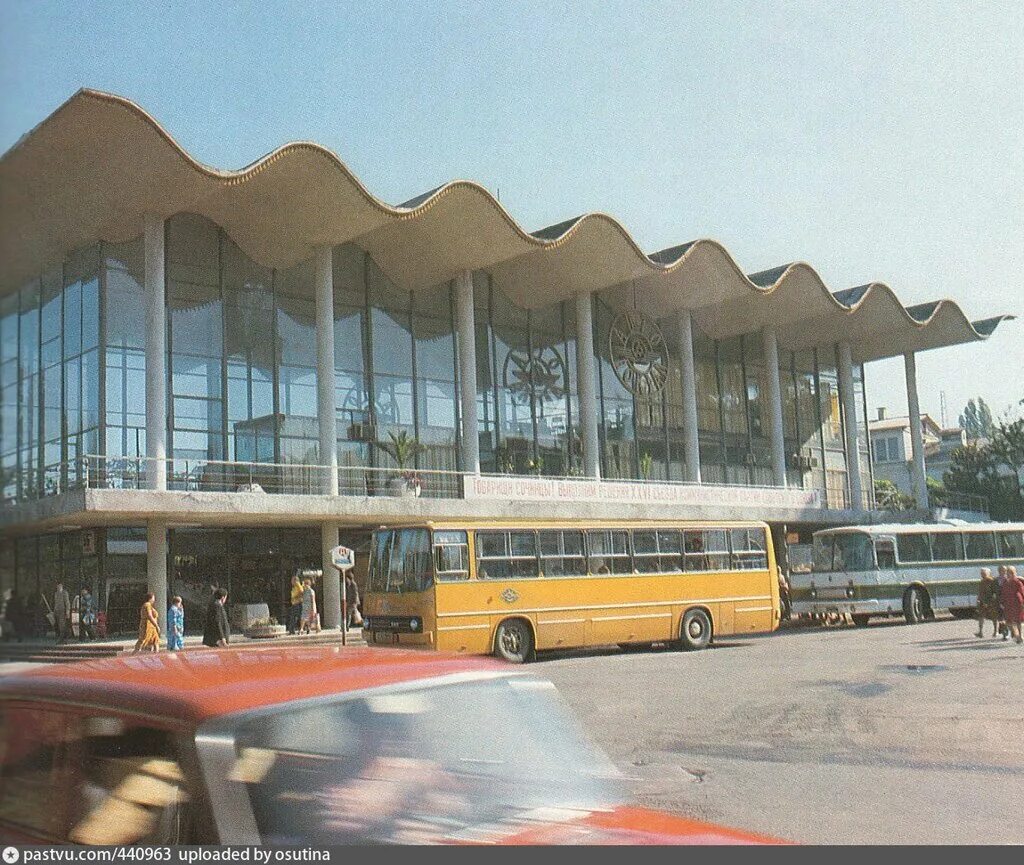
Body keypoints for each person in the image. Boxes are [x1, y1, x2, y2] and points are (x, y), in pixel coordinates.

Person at [999, 565, 1024, 645]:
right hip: (1008, 604)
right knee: (1009, 621)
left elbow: (1022, 592)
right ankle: (1016, 635)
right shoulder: (1005, 582)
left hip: (1017, 603)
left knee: (1018, 621)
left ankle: (1020, 636)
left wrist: (1022, 602)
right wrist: (1001, 602)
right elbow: (1003, 593)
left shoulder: (1018, 582)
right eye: (1008, 573)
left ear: (1014, 573)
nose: (1010, 574)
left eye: (1011, 573)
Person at [975, 568, 1001, 638]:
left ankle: (996, 631)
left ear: (989, 573)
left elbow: (996, 592)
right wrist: (978, 599)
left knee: (994, 617)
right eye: (981, 573)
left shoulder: (992, 581)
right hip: (982, 602)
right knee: (981, 616)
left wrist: (991, 601)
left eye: (984, 573)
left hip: (991, 602)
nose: (982, 575)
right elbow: (980, 592)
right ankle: (980, 632)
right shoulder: (982, 581)